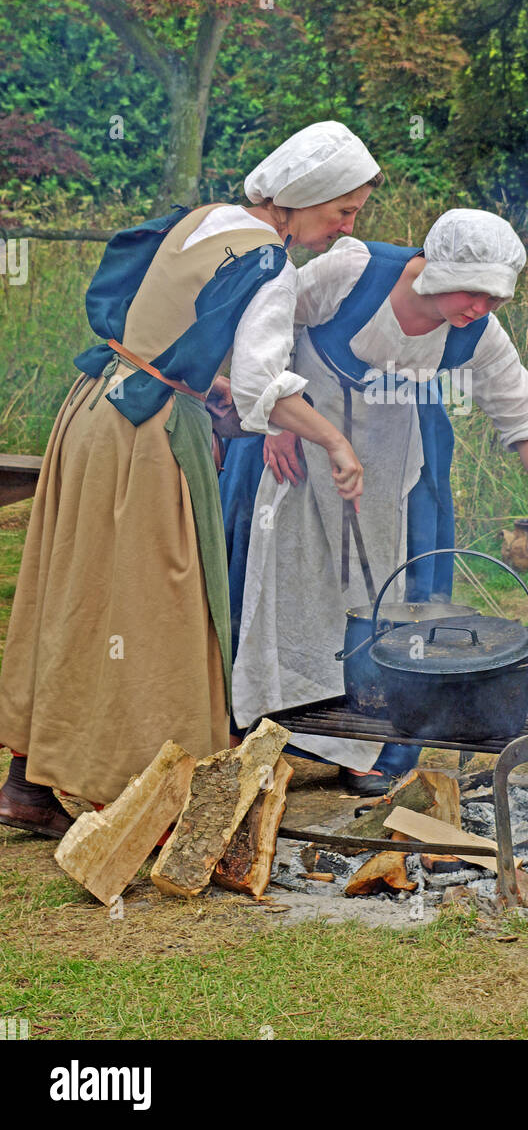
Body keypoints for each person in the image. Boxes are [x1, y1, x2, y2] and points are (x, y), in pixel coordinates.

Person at [0, 121, 378, 834]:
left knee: (76, 595)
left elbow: (162, 333)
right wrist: (334, 442)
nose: (343, 227)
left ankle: (25, 782)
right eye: (342, 210)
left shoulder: (206, 221)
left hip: (93, 413)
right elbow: (268, 382)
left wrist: (207, 386)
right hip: (144, 442)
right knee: (149, 614)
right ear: (301, 199)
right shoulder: (269, 262)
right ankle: (136, 801)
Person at [224, 208, 528, 794]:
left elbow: (523, 415)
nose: (480, 308)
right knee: (284, 578)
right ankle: (261, 725)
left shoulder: (478, 334)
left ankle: (361, 739)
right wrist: (275, 418)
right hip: (299, 438)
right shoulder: (353, 273)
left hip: (391, 453)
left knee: (378, 591)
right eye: (473, 291)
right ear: (438, 267)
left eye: (495, 298)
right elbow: (266, 325)